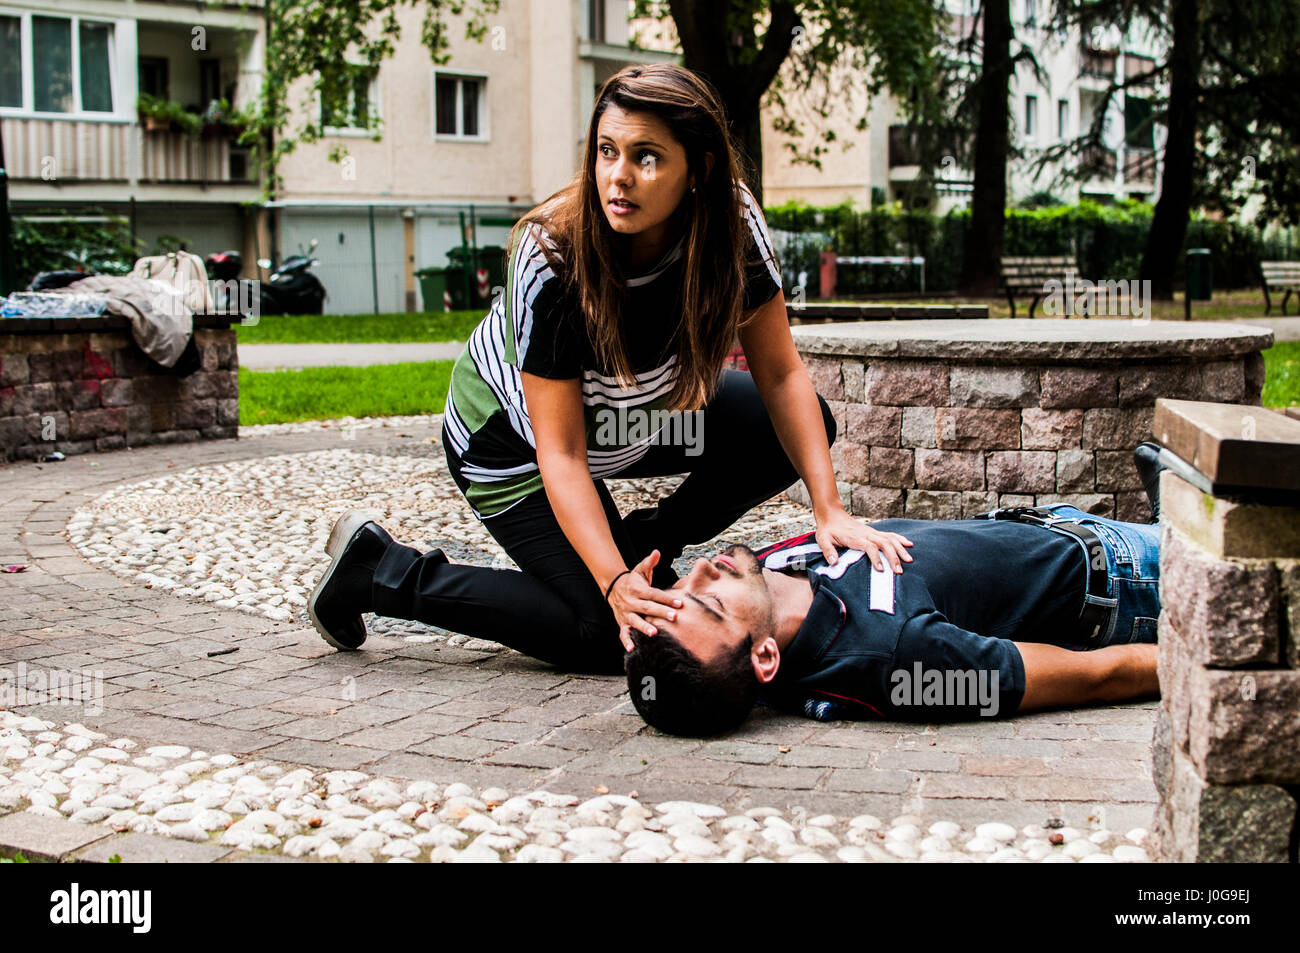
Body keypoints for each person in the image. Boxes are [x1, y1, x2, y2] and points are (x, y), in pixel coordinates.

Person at [307, 63, 911, 673]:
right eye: (606, 151)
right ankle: (381, 573)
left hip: (637, 422)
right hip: (511, 446)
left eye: (646, 156)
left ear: (697, 170)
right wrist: (615, 580)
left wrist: (829, 509)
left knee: (788, 432)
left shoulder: (731, 226)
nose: (618, 177)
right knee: (609, 633)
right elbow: (562, 454)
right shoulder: (553, 258)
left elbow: (781, 376)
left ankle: (647, 543)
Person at [623, 450, 1169, 736]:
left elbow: (683, 666)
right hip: (1126, 576)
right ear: (765, 657)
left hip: (1042, 525)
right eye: (709, 601)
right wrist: (1196, 670)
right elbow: (1097, 677)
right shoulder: (901, 663)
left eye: (675, 588)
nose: (697, 571)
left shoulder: (755, 590)